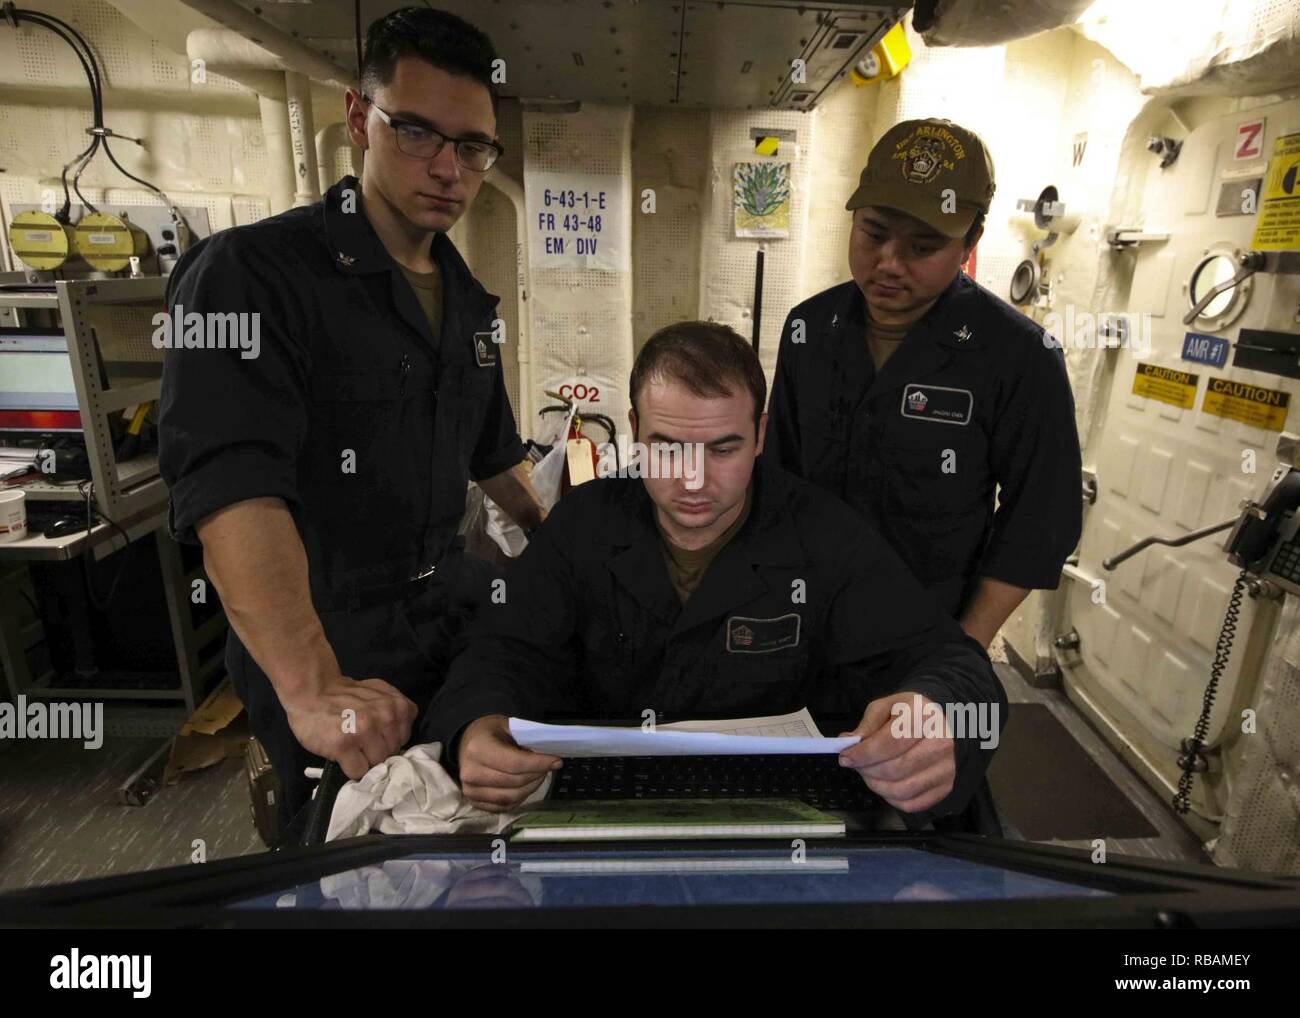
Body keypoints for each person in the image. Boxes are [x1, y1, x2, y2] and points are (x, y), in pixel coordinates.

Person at [158, 7, 543, 828]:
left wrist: (567, 544)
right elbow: (231, 491)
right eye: (416, 133)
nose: (448, 167)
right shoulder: (252, 277)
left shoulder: (467, 300)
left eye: (472, 147)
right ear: (359, 120)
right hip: (330, 641)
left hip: (448, 623)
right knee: (337, 870)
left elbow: (495, 455)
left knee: (465, 853)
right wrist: (312, 687)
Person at [423, 321, 1007, 823]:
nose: (694, 480)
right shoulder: (585, 525)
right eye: (666, 447)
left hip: (783, 819)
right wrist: (476, 728)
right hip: (607, 808)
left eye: (723, 449)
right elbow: (499, 649)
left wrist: (937, 716)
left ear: (760, 434)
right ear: (633, 428)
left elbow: (950, 661)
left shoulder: (826, 534)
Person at [766, 118, 1082, 646]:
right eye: (873, 234)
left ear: (969, 242)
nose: (888, 263)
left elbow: (1040, 520)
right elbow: (779, 474)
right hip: (804, 621)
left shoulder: (1020, 358)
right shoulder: (809, 329)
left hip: (925, 632)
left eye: (922, 246)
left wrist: (961, 649)